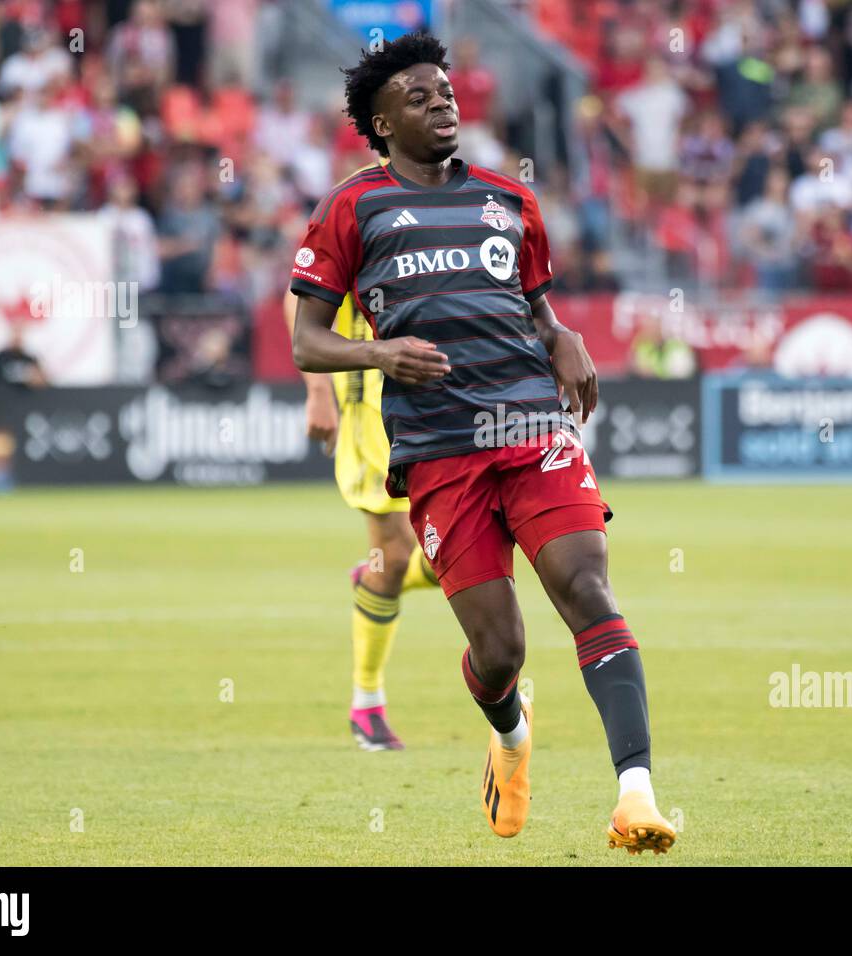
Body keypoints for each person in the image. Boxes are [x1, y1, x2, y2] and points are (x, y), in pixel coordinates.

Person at [287, 34, 675, 854]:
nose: (442, 103)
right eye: (419, 97)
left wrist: (563, 333)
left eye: (446, 91)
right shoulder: (352, 208)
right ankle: (509, 734)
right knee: (500, 653)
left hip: (532, 427)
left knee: (588, 591)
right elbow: (307, 341)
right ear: (382, 123)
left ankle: (635, 794)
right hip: (438, 450)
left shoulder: (509, 198)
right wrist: (380, 353)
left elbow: (537, 308)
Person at [283, 283, 440, 751]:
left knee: (457, 553)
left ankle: (374, 577)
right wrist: (318, 390)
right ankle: (367, 702)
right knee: (394, 559)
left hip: (446, 406)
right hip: (372, 416)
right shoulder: (356, 210)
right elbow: (299, 294)